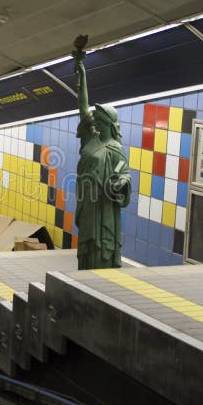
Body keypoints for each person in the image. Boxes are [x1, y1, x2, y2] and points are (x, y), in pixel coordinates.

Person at [73, 35, 131, 269]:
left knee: (100, 247)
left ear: (108, 121)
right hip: (87, 202)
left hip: (103, 207)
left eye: (98, 116)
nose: (93, 118)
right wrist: (82, 73)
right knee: (86, 247)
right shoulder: (90, 138)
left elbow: (124, 174)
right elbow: (81, 104)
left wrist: (120, 183)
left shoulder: (115, 149)